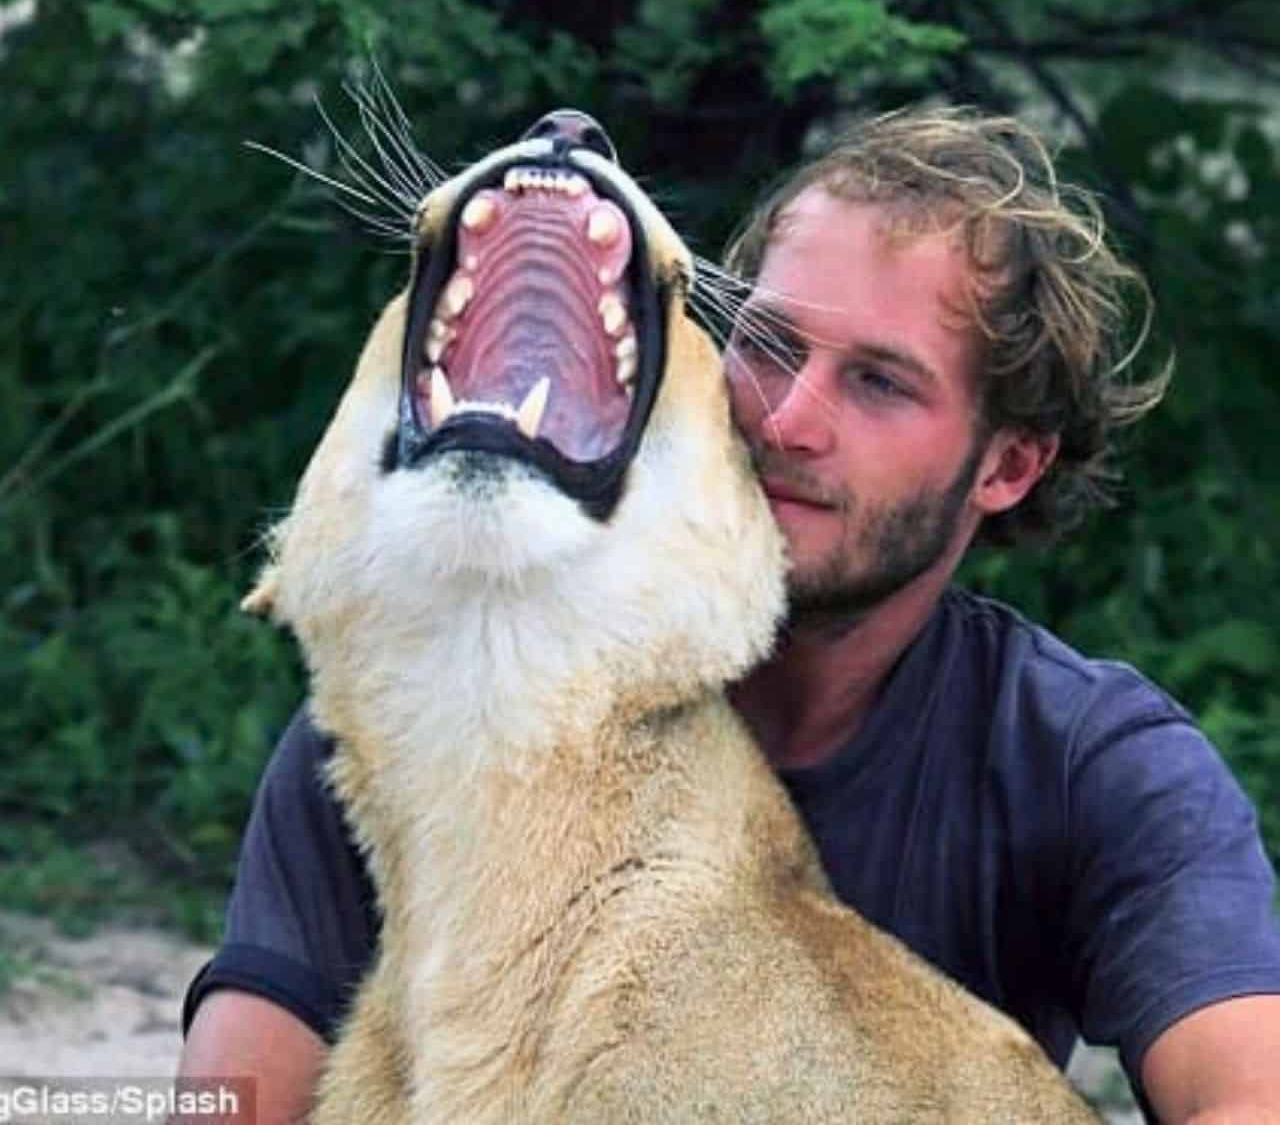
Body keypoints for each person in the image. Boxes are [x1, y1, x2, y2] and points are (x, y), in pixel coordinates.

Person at [177, 107, 1280, 1123]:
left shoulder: (1089, 759)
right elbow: (232, 1101)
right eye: (769, 344)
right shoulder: (452, 693)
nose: (790, 418)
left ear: (1005, 464)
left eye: (878, 384)